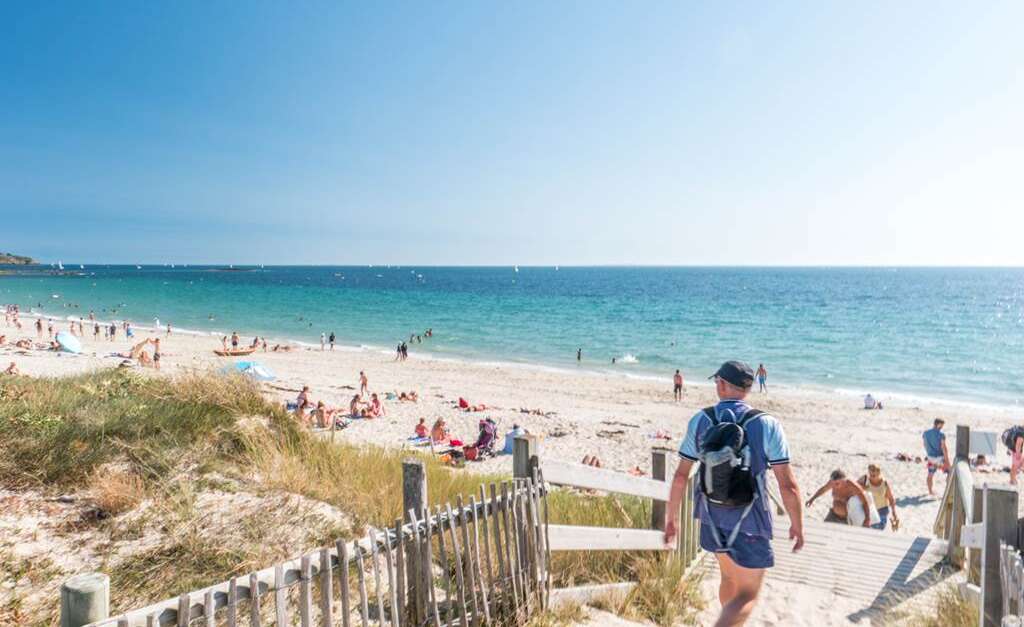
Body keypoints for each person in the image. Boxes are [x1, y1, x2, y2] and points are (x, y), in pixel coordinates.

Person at [665, 360, 803, 627]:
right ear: (749, 388)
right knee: (748, 594)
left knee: (728, 579)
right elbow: (787, 484)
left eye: (717, 381)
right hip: (750, 521)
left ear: (722, 384)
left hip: (710, 516)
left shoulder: (702, 419)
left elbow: (681, 475)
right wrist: (797, 525)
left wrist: (671, 518)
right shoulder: (767, 424)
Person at [806, 470, 873, 527]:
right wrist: (812, 499)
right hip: (833, 515)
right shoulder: (832, 483)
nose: (835, 485)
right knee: (824, 531)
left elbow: (865, 502)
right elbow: (823, 489)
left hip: (847, 519)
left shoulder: (852, 486)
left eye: (837, 483)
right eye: (833, 483)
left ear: (844, 480)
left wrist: (867, 518)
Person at [858, 464, 898, 531]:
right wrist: (861, 488)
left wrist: (894, 512)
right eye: (870, 472)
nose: (871, 475)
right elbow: (853, 489)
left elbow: (891, 498)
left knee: (876, 533)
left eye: (874, 473)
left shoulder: (884, 483)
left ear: (879, 472)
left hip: (882, 512)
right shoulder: (864, 480)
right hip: (869, 512)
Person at [922, 418, 950, 495]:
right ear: (938, 424)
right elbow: (944, 448)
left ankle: (930, 491)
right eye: (941, 425)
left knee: (930, 474)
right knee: (949, 473)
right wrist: (947, 461)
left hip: (930, 458)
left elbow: (925, 445)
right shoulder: (941, 435)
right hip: (939, 458)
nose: (942, 427)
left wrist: (929, 453)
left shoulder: (925, 433)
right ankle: (947, 492)